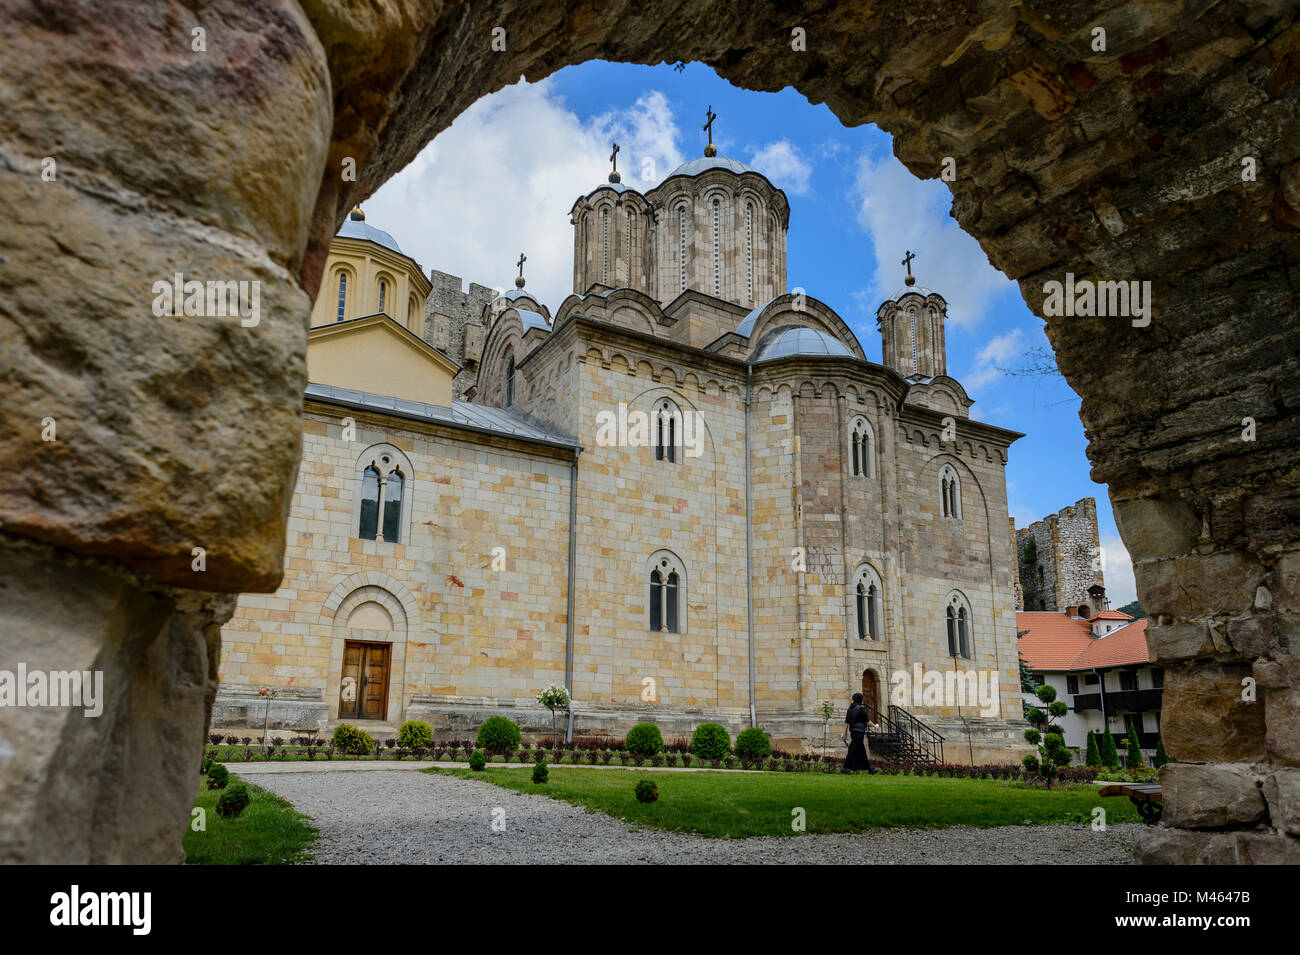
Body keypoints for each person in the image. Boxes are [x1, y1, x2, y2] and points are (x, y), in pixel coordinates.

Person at [842, 692, 873, 773]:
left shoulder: (850, 708)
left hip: (853, 732)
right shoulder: (860, 709)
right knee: (852, 750)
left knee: (862, 751)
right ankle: (844, 768)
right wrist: (875, 726)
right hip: (859, 732)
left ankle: (869, 769)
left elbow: (846, 722)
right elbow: (868, 722)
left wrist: (845, 733)